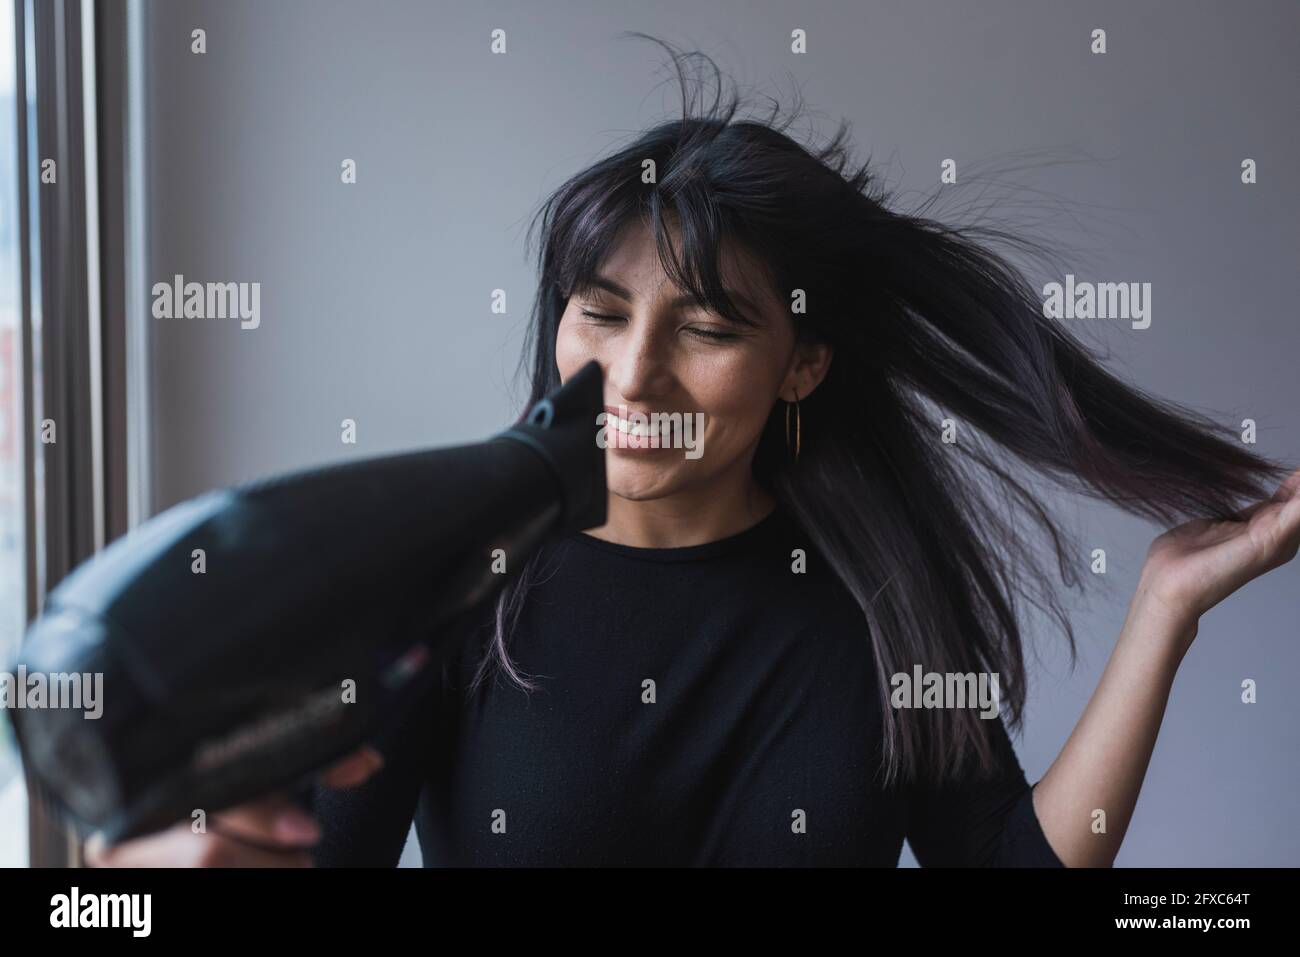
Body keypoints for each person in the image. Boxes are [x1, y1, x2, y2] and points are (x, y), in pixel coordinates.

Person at [88, 36, 1300, 868]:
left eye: (710, 327)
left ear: (803, 364)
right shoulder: (452, 587)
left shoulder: (882, 603)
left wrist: (1164, 611)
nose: (634, 372)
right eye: (601, 312)